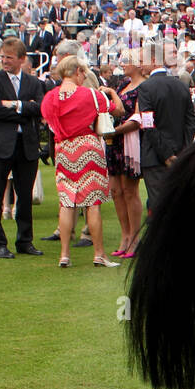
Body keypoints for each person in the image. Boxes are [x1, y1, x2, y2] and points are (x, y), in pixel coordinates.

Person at [39, 55, 122, 267]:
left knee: (67, 202)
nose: (84, 76)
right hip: (88, 146)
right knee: (92, 204)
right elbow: (118, 110)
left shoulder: (50, 97)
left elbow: (47, 120)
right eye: (83, 72)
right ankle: (99, 254)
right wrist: (112, 92)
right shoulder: (92, 95)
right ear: (77, 71)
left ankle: (64, 255)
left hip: (64, 148)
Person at [0, 37, 46, 259]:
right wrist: (24, 110)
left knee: (25, 197)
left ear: (21, 59)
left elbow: (40, 109)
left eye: (9, 57)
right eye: (2, 57)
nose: (4, 61)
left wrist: (15, 104)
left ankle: (25, 241)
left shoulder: (33, 83)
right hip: (0, 146)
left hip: (26, 146)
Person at [136, 50, 195, 212]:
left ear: (154, 60)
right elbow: (191, 122)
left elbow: (148, 124)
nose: (140, 65)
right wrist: (183, 150)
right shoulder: (181, 85)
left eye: (143, 60)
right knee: (178, 205)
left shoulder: (145, 88)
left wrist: (166, 154)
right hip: (180, 154)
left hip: (155, 157)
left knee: (160, 208)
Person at [104, 47, 145, 258]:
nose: (122, 63)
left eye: (127, 60)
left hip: (129, 141)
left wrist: (114, 130)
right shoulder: (122, 85)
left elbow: (138, 118)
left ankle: (135, 238)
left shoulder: (143, 87)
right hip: (114, 141)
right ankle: (125, 235)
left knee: (130, 191)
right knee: (116, 191)